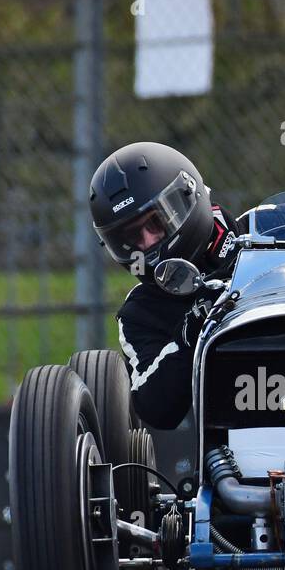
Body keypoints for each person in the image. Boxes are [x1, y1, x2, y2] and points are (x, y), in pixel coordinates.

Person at [90, 142, 248, 430]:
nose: (149, 242)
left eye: (157, 221)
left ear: (189, 197)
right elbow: (156, 409)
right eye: (133, 237)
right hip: (234, 444)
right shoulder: (140, 313)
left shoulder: (266, 228)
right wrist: (191, 333)